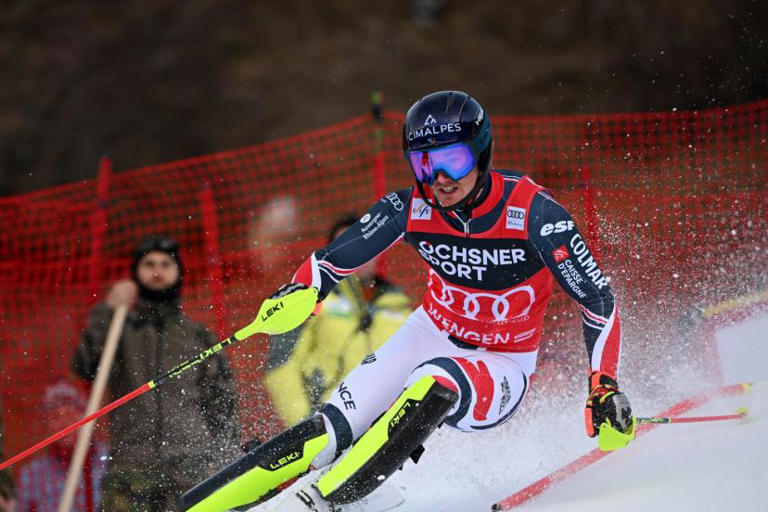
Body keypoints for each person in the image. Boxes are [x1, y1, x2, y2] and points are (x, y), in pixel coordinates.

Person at [180, 91, 634, 511]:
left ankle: (336, 499)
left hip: (501, 362)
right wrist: (303, 291)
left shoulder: (534, 212)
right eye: (423, 164)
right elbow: (332, 260)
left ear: (480, 152)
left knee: (437, 379)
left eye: (453, 161)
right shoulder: (409, 207)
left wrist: (603, 384)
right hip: (428, 333)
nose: (438, 179)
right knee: (330, 431)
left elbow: (596, 301)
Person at [72, 235, 241, 512]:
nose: (157, 270)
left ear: (178, 272)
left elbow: (223, 402)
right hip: (131, 467)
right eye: (148, 263)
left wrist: (224, 460)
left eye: (166, 264)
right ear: (136, 273)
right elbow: (86, 367)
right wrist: (108, 311)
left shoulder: (198, 337)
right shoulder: (120, 332)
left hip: (192, 467)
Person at [264, 214, 413, 427]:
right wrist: (304, 425)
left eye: (366, 244)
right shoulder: (307, 302)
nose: (358, 254)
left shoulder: (399, 306)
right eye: (347, 248)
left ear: (378, 252)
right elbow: (281, 366)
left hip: (388, 426)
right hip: (329, 421)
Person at [16, 380, 109, 512]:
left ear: (86, 418)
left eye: (70, 414)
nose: (64, 424)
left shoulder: (108, 461)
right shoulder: (32, 475)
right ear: (47, 427)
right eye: (55, 417)